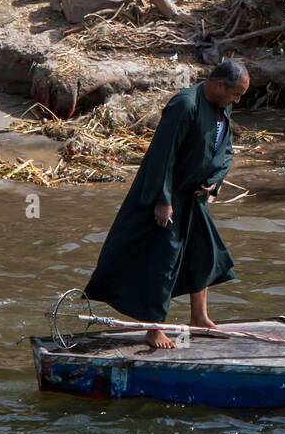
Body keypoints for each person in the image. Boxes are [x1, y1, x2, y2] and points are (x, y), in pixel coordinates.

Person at [84, 60, 250, 348]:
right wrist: (162, 201)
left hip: (195, 197)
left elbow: (225, 149)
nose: (237, 100)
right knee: (162, 262)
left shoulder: (223, 107)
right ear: (220, 85)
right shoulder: (185, 106)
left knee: (204, 253)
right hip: (166, 196)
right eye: (236, 94)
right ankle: (153, 328)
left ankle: (199, 317)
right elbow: (163, 156)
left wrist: (216, 179)